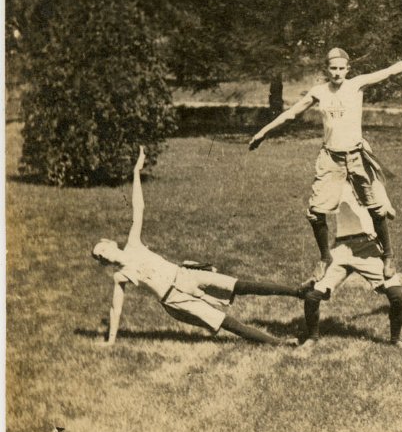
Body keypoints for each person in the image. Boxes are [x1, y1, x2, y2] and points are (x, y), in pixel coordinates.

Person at [249, 45, 402, 280]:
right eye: (333, 68)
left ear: (348, 69)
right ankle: (325, 258)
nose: (337, 72)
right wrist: (263, 133)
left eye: (341, 68)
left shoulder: (357, 84)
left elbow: (392, 70)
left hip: (356, 156)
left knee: (376, 209)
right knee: (316, 212)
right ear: (326, 70)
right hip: (331, 159)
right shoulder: (319, 92)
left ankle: (388, 255)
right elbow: (291, 113)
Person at [92, 148, 303, 346]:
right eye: (99, 257)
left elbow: (138, 207)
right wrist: (110, 341)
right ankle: (281, 344)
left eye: (101, 249)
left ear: (111, 244)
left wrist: (136, 172)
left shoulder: (133, 244)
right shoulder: (120, 276)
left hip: (186, 275)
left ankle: (298, 292)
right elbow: (115, 309)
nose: (102, 255)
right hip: (174, 299)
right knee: (224, 321)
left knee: (238, 285)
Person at [297, 181, 402, 350]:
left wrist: (383, 207)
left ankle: (395, 339)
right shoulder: (334, 181)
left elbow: (390, 212)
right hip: (341, 247)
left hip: (368, 245)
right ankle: (312, 338)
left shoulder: (371, 181)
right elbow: (317, 212)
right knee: (312, 296)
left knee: (396, 295)